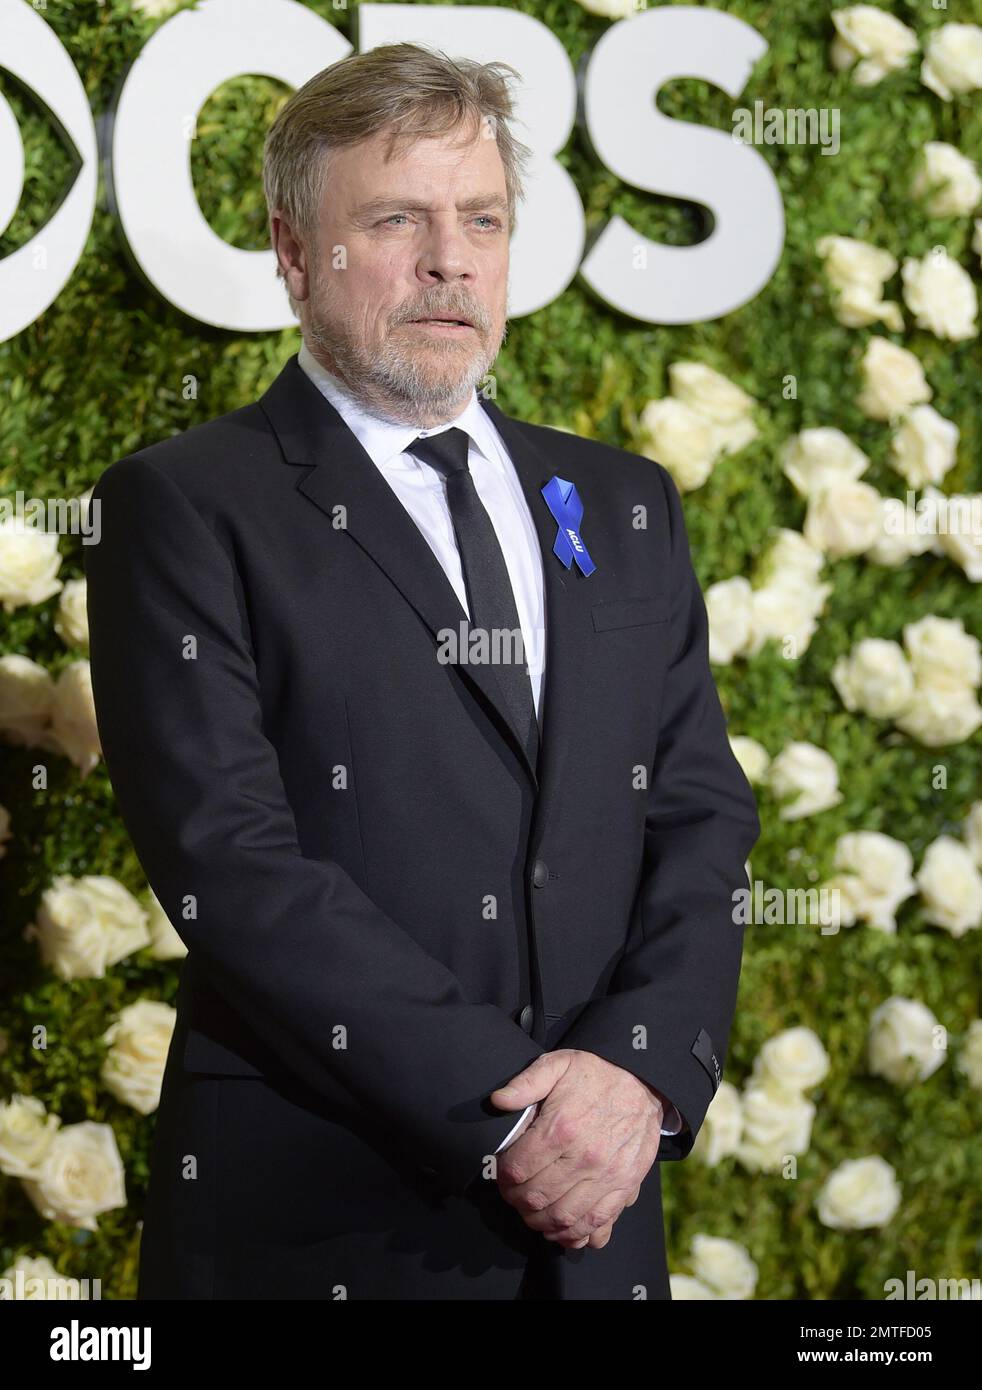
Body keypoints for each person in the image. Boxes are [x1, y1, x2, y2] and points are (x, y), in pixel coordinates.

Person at [84, 42, 761, 1301]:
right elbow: (231, 863)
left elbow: (698, 813)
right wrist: (516, 1121)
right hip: (326, 1220)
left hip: (605, 1220)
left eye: (482, 219)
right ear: (295, 255)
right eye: (397, 219)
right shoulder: (183, 508)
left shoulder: (622, 502)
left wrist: (641, 1074)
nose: (451, 258)